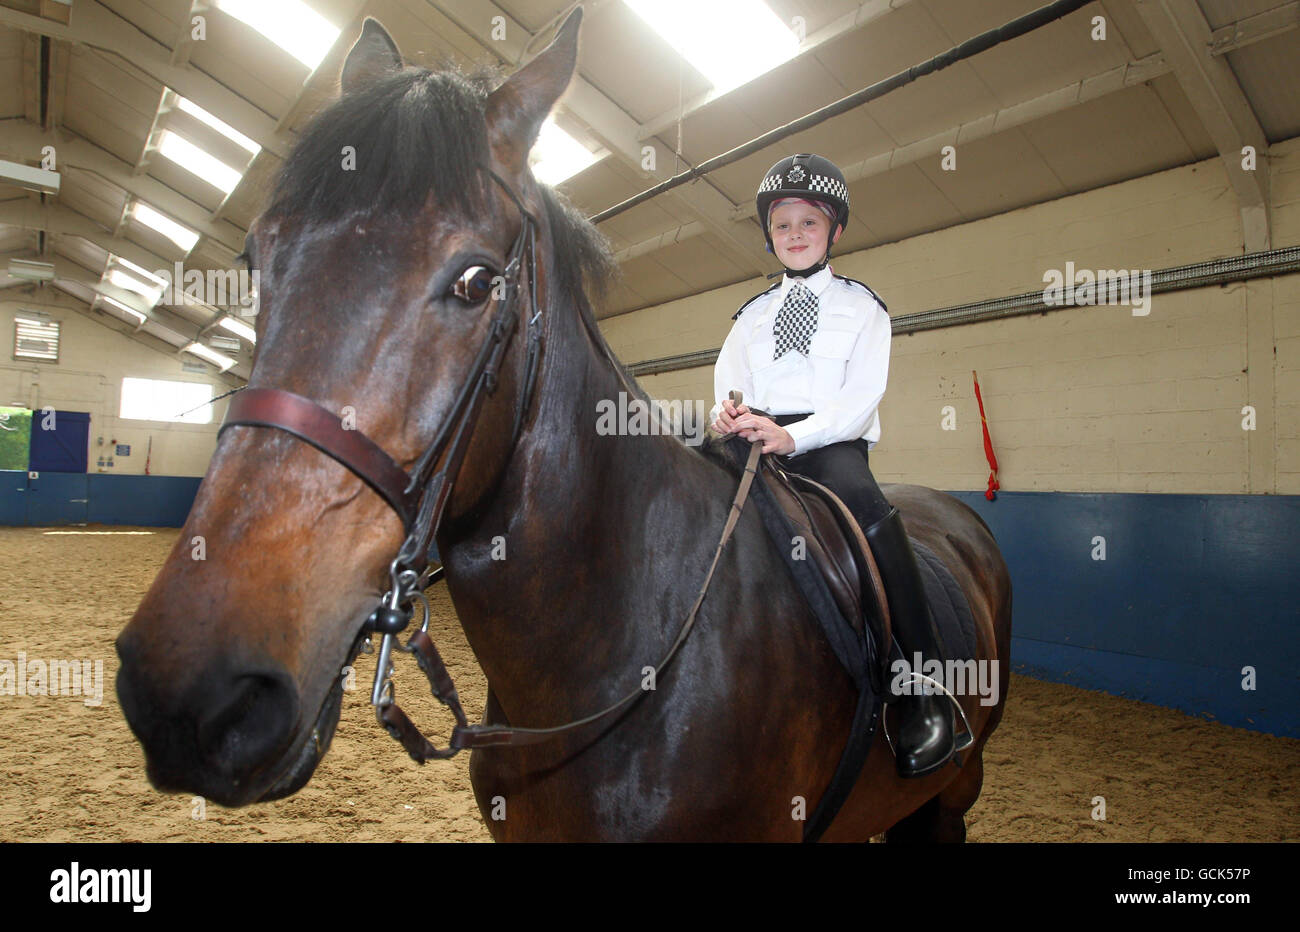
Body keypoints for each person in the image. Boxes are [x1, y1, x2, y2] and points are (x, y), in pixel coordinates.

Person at [709, 153, 956, 778]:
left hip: (828, 447)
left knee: (872, 513)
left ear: (834, 231)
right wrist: (727, 417)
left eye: (808, 223)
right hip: (754, 442)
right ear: (769, 233)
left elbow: (858, 400)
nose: (794, 234)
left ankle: (927, 694)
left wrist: (794, 439)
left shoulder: (863, 309)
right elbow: (728, 387)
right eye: (783, 223)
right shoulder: (749, 318)